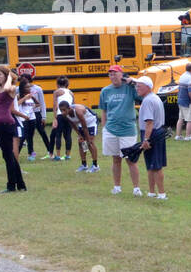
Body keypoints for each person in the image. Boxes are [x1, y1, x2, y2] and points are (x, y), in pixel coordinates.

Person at [99, 64, 142, 196]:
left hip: (128, 129)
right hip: (111, 129)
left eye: (115, 74)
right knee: (116, 159)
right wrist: (104, 127)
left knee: (130, 159)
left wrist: (133, 81)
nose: (113, 76)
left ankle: (136, 188)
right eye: (110, 74)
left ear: (121, 75)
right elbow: (104, 110)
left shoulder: (129, 88)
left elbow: (144, 92)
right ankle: (117, 186)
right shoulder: (105, 91)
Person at [133, 76, 168, 199]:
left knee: (155, 165)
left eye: (139, 85)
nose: (137, 88)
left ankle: (162, 193)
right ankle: (152, 192)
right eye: (136, 85)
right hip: (157, 132)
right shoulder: (154, 97)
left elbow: (149, 122)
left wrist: (146, 139)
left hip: (151, 133)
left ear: (148, 87)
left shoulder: (147, 101)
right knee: (150, 164)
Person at [57, 100, 99, 172]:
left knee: (90, 143)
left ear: (69, 108)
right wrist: (80, 135)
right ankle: (84, 165)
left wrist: (88, 139)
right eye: (61, 110)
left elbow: (85, 127)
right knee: (81, 143)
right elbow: (72, 124)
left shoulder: (78, 112)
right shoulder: (65, 115)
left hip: (91, 122)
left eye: (64, 110)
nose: (62, 112)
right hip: (81, 124)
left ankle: (95, 165)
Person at [50, 77, 74, 160]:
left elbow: (55, 105)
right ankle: (67, 155)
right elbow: (73, 105)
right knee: (68, 135)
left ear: (58, 84)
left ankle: (58, 155)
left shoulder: (57, 92)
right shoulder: (71, 93)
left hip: (60, 114)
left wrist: (55, 117)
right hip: (69, 115)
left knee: (58, 135)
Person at [174, 64, 191, 140]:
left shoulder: (182, 76)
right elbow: (190, 92)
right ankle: (188, 136)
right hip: (188, 102)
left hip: (180, 100)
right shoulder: (190, 78)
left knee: (181, 118)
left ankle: (178, 135)